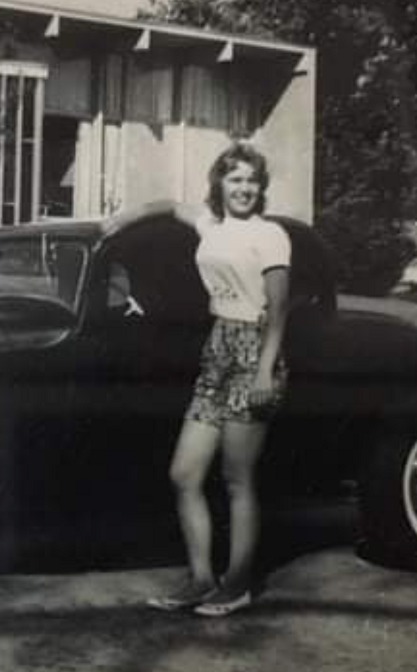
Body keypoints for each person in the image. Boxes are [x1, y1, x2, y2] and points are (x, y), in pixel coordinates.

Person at [144, 142, 291, 617]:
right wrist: (117, 222)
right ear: (220, 184)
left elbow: (279, 308)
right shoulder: (210, 225)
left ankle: (238, 582)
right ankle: (202, 579)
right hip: (218, 347)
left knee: (236, 478)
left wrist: (266, 369)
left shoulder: (270, 235)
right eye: (235, 179)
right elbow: (167, 205)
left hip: (255, 349)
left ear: (260, 187)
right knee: (184, 473)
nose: (244, 188)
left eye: (251, 180)